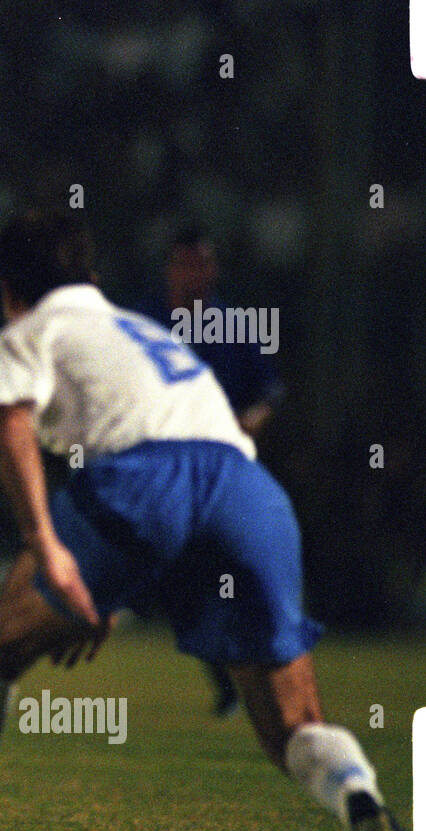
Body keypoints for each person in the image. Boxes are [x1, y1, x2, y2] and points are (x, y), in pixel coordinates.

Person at [0, 209, 412, 831]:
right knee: (294, 724)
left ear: (8, 288)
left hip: (146, 479)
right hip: (251, 493)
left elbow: (15, 431)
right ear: (90, 276)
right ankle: (363, 801)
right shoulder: (142, 329)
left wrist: (50, 550)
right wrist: (111, 581)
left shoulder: (23, 336)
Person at [135, 223, 286, 716]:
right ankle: (227, 675)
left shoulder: (234, 325)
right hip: (166, 471)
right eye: (185, 263)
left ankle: (259, 669)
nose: (194, 274)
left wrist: (249, 425)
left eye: (202, 263)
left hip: (223, 470)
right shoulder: (148, 323)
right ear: (170, 270)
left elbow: (269, 392)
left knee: (231, 573)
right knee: (181, 580)